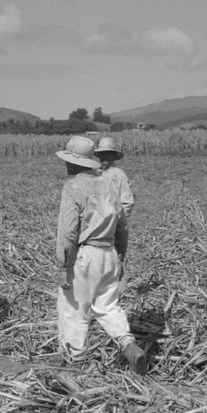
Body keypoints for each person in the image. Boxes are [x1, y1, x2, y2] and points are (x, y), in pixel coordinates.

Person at [55, 136, 147, 374]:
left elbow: (68, 231)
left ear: (76, 163)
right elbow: (123, 226)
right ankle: (128, 344)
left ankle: (76, 363)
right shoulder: (108, 184)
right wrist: (121, 257)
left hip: (86, 255)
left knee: (74, 310)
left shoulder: (73, 186)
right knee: (108, 306)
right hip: (109, 253)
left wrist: (62, 264)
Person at [93, 137, 134, 217]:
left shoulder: (119, 175)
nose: (104, 156)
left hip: (113, 219)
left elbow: (126, 201)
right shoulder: (95, 173)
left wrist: (119, 220)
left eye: (108, 153)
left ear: (114, 156)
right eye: (102, 153)